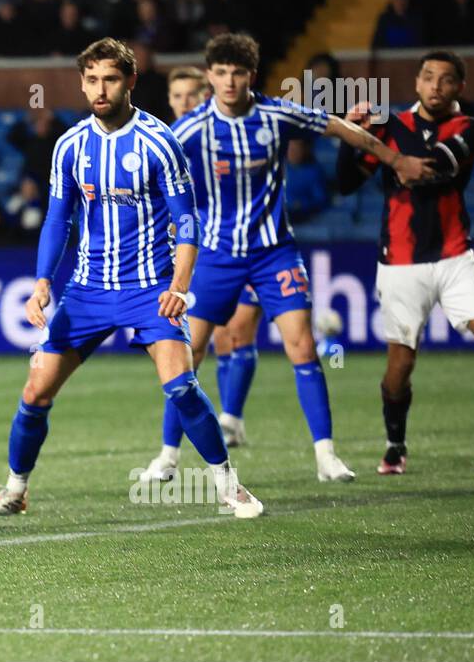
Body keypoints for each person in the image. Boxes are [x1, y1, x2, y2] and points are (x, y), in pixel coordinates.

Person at [0, 38, 264, 520]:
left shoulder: (158, 142)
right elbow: (57, 220)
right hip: (88, 291)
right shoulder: (70, 144)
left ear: (131, 81)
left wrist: (178, 285)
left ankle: (230, 487)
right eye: (91, 80)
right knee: (35, 393)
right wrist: (43, 281)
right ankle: (15, 490)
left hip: (150, 289)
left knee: (181, 386)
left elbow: (188, 222)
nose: (100, 89)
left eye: (110, 79)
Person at [139, 33, 436, 484]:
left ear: (251, 75)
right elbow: (150, 177)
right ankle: (167, 456)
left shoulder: (277, 114)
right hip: (216, 257)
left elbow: (340, 127)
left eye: (238, 72)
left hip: (274, 252)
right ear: (210, 76)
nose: (230, 81)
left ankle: (326, 456)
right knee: (186, 355)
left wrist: (394, 160)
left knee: (303, 347)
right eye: (221, 73)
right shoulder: (191, 129)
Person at [335, 50, 474, 472]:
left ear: (459, 88)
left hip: (454, 256)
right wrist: (348, 137)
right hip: (400, 263)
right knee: (400, 366)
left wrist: (378, 132)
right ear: (417, 82)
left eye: (446, 80)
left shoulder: (470, 127)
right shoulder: (391, 126)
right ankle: (395, 444)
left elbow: (430, 165)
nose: (435, 86)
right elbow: (346, 184)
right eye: (428, 77)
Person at [167, 66, 262, 448]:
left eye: (191, 95)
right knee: (208, 342)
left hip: (248, 244)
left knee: (237, 331)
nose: (184, 103)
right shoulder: (168, 145)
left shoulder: (227, 137)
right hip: (200, 252)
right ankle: (220, 422)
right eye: (176, 96)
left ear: (207, 94)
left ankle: (231, 418)